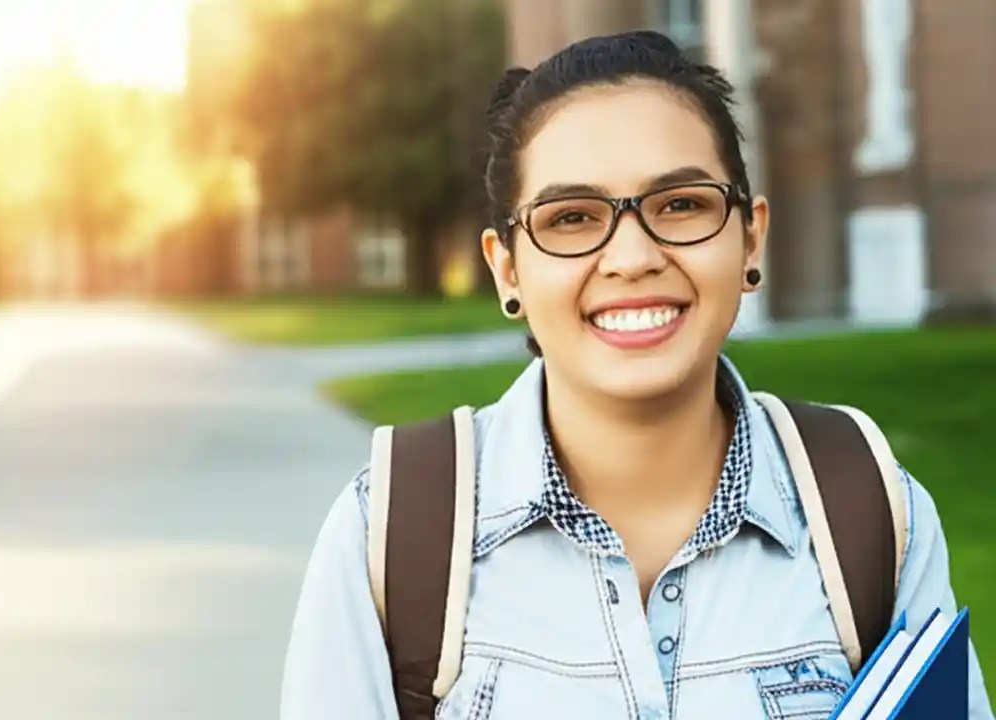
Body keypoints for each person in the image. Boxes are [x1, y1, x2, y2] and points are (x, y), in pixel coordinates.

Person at [280, 30, 992, 719]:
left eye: (681, 205)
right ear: (507, 269)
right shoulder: (389, 532)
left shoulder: (870, 512)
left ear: (750, 237)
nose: (632, 258)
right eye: (571, 217)